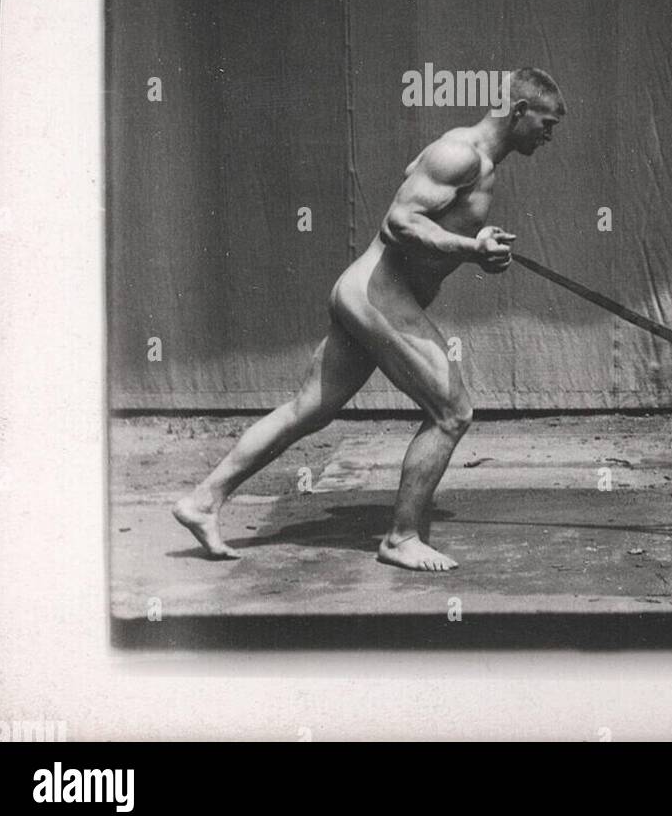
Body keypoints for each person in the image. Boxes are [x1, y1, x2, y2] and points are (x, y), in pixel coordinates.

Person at [173, 66, 566, 571]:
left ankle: (202, 501)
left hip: (370, 293)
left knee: (306, 410)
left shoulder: (477, 158)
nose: (550, 136)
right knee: (453, 413)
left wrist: (477, 246)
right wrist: (471, 247)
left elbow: (424, 211)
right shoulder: (460, 154)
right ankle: (401, 538)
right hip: (378, 294)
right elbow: (399, 223)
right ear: (518, 111)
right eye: (547, 123)